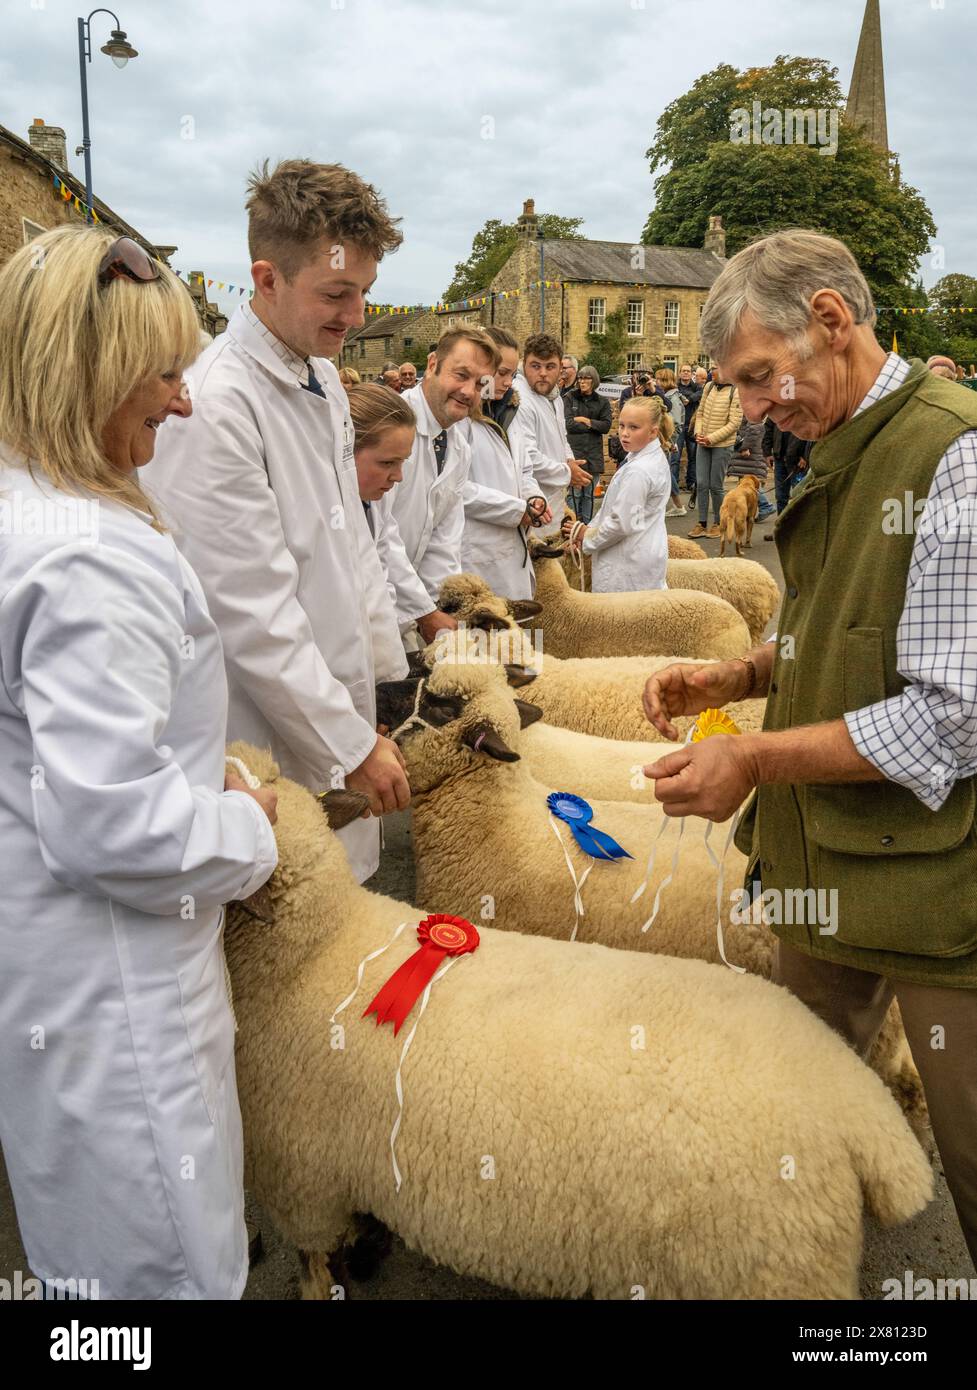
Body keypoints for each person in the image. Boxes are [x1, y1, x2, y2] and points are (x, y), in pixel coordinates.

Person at [643, 227, 977, 1269]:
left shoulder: (951, 454)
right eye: (736, 388)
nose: (748, 409)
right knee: (797, 1123)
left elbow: (949, 713)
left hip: (937, 896)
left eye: (755, 377)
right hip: (823, 868)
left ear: (830, 320)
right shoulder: (839, 444)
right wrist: (741, 676)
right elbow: (840, 621)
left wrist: (750, 758)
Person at [0, 226, 279, 1300]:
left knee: (85, 1268)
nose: (184, 398)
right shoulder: (85, 555)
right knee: (165, 1272)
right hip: (120, 995)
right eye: (161, 371)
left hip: (54, 973)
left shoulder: (36, 511)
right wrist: (251, 821)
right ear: (90, 373)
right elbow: (110, 823)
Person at [146, 158, 410, 886]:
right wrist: (346, 741)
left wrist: (384, 678)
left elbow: (348, 543)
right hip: (264, 730)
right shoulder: (216, 405)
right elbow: (247, 608)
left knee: (340, 921)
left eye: (364, 292)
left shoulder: (320, 376)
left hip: (335, 700)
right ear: (266, 279)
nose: (355, 317)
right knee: (290, 929)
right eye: (335, 292)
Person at [387, 326, 498, 631]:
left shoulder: (458, 448)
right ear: (433, 363)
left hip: (410, 611)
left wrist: (444, 608)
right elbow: (379, 531)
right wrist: (424, 612)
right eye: (461, 375)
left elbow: (444, 539)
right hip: (371, 601)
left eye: (479, 383)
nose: (468, 391)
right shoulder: (390, 426)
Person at [346, 383, 438, 668]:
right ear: (345, 451)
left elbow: (387, 554)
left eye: (402, 463)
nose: (398, 476)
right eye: (387, 462)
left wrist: (424, 613)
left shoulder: (375, 501)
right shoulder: (322, 515)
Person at [459, 326, 546, 599]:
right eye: (502, 373)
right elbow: (457, 489)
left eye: (513, 374)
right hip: (478, 552)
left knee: (518, 636)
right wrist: (515, 510)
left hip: (514, 548)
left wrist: (533, 497)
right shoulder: (460, 421)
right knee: (485, 637)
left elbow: (524, 468)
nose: (509, 382)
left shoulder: (510, 411)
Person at [563, 394, 672, 591]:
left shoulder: (639, 471)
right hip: (641, 551)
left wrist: (587, 537)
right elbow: (616, 510)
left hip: (627, 562)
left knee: (618, 619)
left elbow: (622, 523)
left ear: (653, 432)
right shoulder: (646, 458)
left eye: (634, 427)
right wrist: (587, 532)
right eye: (621, 425)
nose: (624, 433)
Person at [508, 333, 591, 535]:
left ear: (560, 369)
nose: (543, 373)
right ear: (524, 364)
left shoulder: (555, 398)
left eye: (550, 366)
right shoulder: (520, 399)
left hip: (554, 502)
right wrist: (567, 472)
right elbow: (527, 457)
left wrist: (570, 460)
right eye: (536, 366)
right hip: (533, 505)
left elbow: (562, 438)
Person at [688, 367, 742, 538]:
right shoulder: (709, 386)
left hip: (722, 445)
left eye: (717, 368)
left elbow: (734, 423)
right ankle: (702, 523)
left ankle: (719, 523)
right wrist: (698, 432)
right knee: (702, 483)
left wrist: (711, 438)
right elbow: (701, 413)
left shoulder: (736, 391)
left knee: (716, 486)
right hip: (703, 442)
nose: (713, 372)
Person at [563, 364, 611, 523]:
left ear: (594, 381)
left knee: (589, 495)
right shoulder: (570, 398)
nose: (582, 382)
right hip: (574, 453)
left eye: (586, 378)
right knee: (574, 494)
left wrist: (585, 420)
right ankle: (572, 526)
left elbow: (605, 426)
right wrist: (591, 426)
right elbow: (567, 424)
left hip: (593, 454)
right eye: (580, 378)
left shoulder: (602, 401)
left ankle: (587, 528)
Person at [728, 417, 776, 523]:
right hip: (751, 458)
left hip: (750, 458)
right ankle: (751, 509)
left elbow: (754, 430)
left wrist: (743, 447)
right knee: (747, 485)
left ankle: (765, 506)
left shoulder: (751, 413)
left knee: (751, 485)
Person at [655, 367, 688, 517]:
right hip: (663, 440)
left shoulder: (673, 398)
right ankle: (676, 505)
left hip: (667, 440)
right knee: (665, 472)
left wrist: (670, 442)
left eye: (660, 380)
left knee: (666, 472)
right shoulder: (666, 396)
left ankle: (678, 505)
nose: (657, 382)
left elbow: (675, 424)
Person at [676, 363, 701, 489]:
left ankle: (691, 483)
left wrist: (689, 399)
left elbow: (702, 393)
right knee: (676, 456)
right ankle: (673, 483)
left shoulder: (696, 387)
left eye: (688, 371)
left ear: (692, 374)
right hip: (678, 426)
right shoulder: (675, 387)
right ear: (680, 373)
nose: (686, 373)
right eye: (683, 371)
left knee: (693, 456)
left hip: (692, 426)